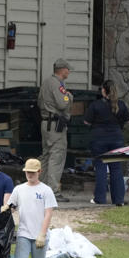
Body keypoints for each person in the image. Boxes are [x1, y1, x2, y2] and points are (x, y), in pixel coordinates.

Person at [6, 158, 57, 258]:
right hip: (23, 233)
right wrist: (6, 208)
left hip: (40, 235)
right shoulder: (19, 189)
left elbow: (48, 214)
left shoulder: (46, 190)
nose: (30, 174)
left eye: (33, 172)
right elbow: (11, 205)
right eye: (28, 172)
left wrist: (42, 234)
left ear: (39, 172)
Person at [84, 79, 129, 206]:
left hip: (99, 139)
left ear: (103, 91)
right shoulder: (121, 105)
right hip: (116, 139)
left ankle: (100, 198)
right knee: (116, 169)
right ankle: (119, 200)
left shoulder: (96, 105)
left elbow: (86, 122)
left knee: (100, 168)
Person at [38, 58, 73, 202]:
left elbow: (40, 101)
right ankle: (52, 190)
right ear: (63, 69)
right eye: (68, 69)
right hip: (55, 125)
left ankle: (40, 187)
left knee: (46, 156)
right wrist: (69, 96)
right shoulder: (56, 84)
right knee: (56, 156)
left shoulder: (46, 82)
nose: (69, 72)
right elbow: (62, 103)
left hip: (46, 122)